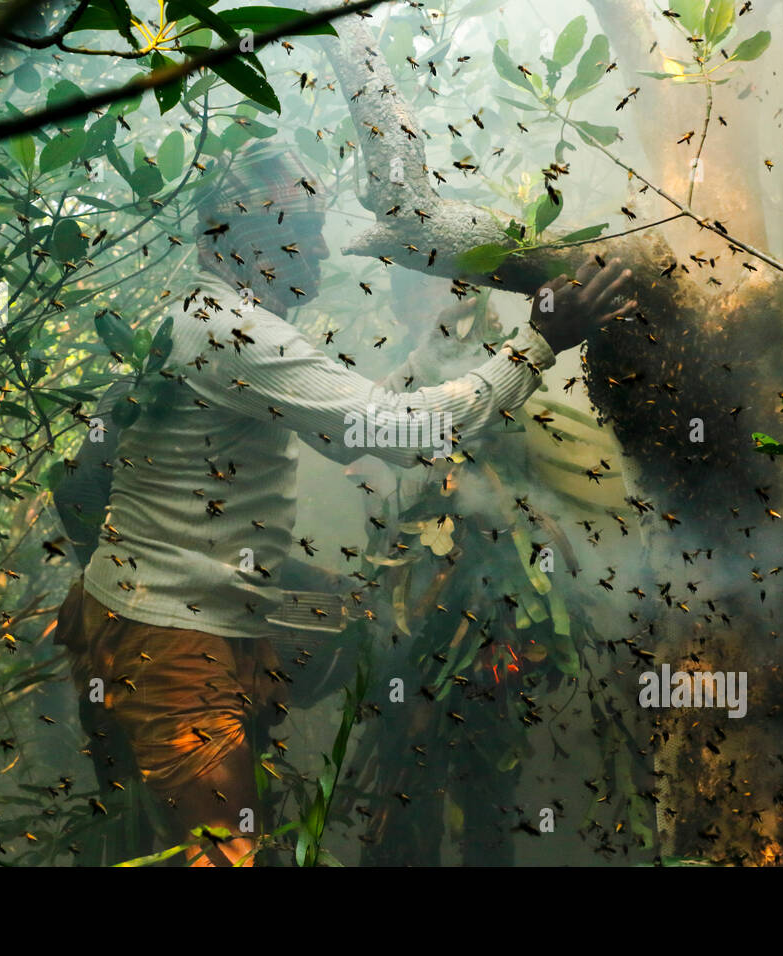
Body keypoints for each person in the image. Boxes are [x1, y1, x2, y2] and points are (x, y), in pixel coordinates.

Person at [51, 144, 637, 865]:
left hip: (157, 623)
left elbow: (341, 434)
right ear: (246, 233)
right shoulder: (238, 333)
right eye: (306, 224)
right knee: (216, 859)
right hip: (174, 644)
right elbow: (394, 431)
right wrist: (538, 343)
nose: (325, 249)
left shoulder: (207, 316)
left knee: (171, 841)